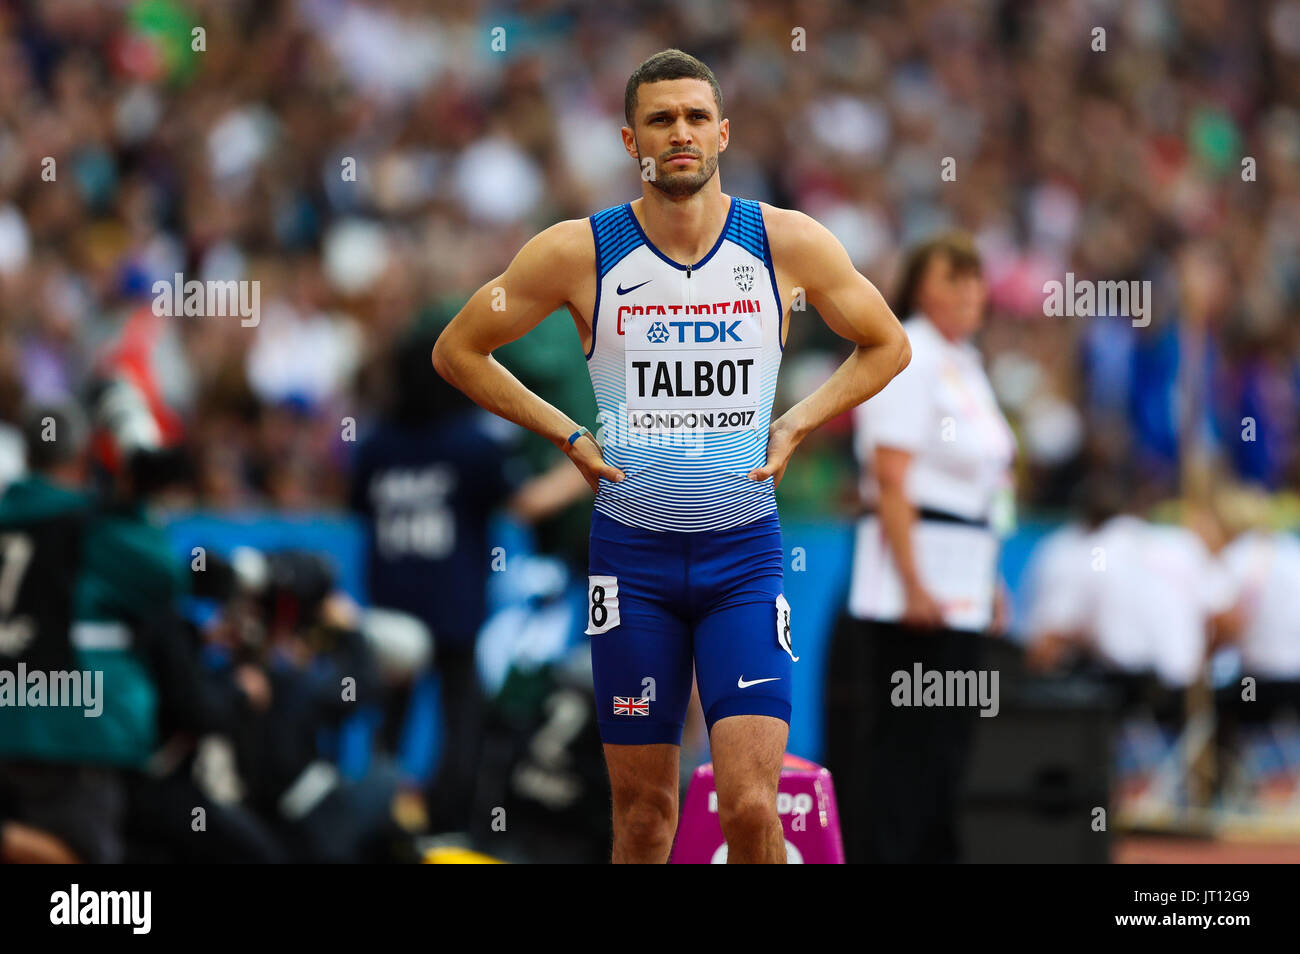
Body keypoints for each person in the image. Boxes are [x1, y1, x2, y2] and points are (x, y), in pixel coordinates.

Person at [434, 48, 909, 863]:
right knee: (645, 816)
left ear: (723, 131)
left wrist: (795, 423)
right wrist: (567, 434)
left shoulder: (784, 244)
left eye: (695, 117)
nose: (680, 133)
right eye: (660, 119)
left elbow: (886, 344)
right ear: (631, 141)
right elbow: (458, 349)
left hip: (743, 560)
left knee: (754, 807)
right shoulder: (579, 253)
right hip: (632, 566)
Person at [824, 231, 1016, 863]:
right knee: (904, 744)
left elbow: (984, 486)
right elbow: (892, 477)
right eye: (949, 278)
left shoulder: (969, 364)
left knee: (948, 744)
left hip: (962, 568)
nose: (966, 292)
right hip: (915, 569)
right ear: (917, 287)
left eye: (974, 279)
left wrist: (989, 581)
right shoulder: (908, 353)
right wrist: (912, 582)